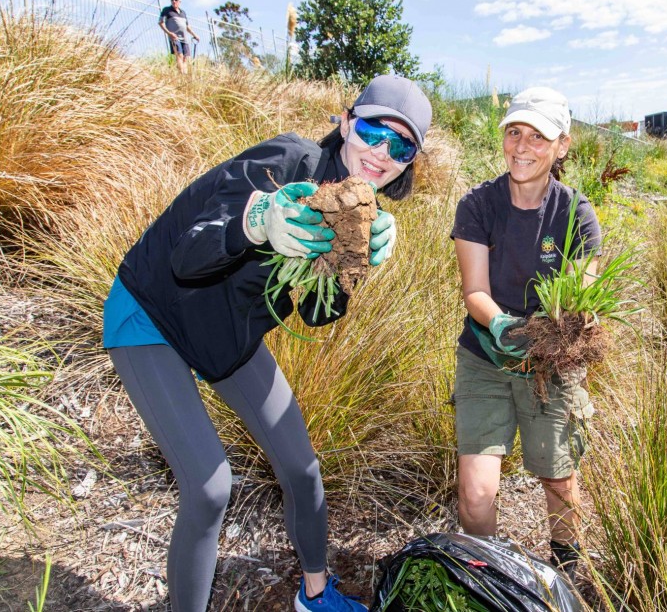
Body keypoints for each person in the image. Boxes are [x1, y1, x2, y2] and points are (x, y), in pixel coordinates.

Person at [102, 74, 431, 612]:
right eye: (374, 131)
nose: (381, 153)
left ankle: (315, 595)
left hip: (225, 332)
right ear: (346, 122)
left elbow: (317, 314)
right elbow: (187, 258)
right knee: (209, 488)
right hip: (153, 311)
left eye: (402, 146)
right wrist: (257, 221)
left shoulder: (358, 208)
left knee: (302, 468)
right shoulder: (288, 162)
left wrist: (351, 262)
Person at [450, 87, 601, 581]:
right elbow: (475, 291)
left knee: (558, 478)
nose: (522, 146)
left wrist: (567, 326)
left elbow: (579, 294)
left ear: (562, 146)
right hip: (485, 357)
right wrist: (501, 324)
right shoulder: (478, 205)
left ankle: (567, 567)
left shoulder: (576, 213)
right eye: (514, 132)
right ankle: (488, 576)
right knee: (476, 495)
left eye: (538, 136)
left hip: (550, 364)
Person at [159, 0, 200, 74]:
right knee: (179, 55)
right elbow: (161, 22)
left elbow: (187, 26)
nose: (173, 1)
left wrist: (195, 35)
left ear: (179, 1)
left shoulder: (183, 13)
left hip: (185, 39)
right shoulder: (166, 10)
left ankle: (185, 75)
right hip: (175, 38)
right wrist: (169, 33)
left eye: (175, 0)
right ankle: (181, 75)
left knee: (186, 58)